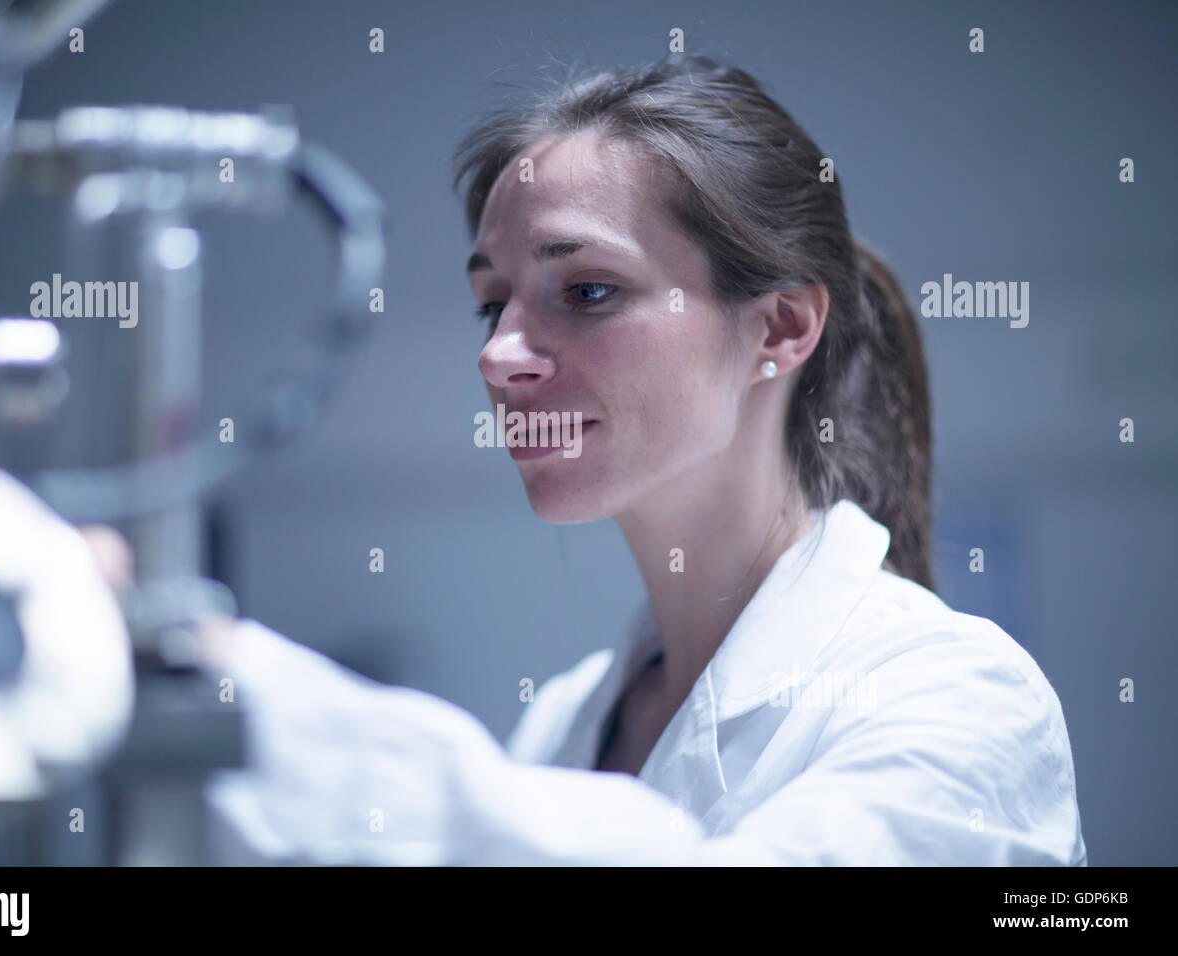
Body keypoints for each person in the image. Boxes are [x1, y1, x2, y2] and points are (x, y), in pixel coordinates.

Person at [104, 55, 1087, 865]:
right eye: (495, 302)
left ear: (779, 328)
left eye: (584, 291)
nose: (496, 355)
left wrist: (224, 680)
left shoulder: (958, 699)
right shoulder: (573, 718)